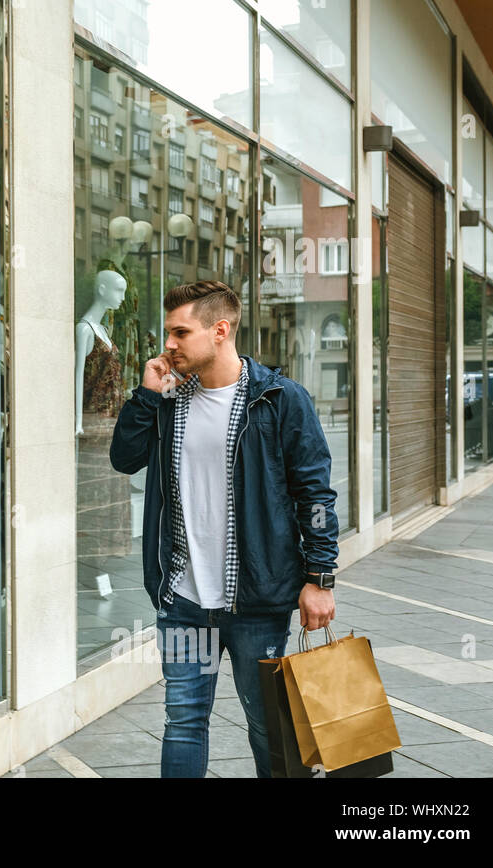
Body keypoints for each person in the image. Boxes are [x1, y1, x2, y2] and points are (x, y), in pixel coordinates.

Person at [109, 280, 340, 778]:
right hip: (184, 599)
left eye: (179, 332)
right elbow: (124, 459)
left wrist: (320, 579)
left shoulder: (280, 399)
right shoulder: (168, 400)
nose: (168, 344)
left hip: (258, 600)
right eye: (167, 332)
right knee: (184, 723)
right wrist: (145, 397)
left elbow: (316, 495)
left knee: (269, 726)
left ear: (219, 330)